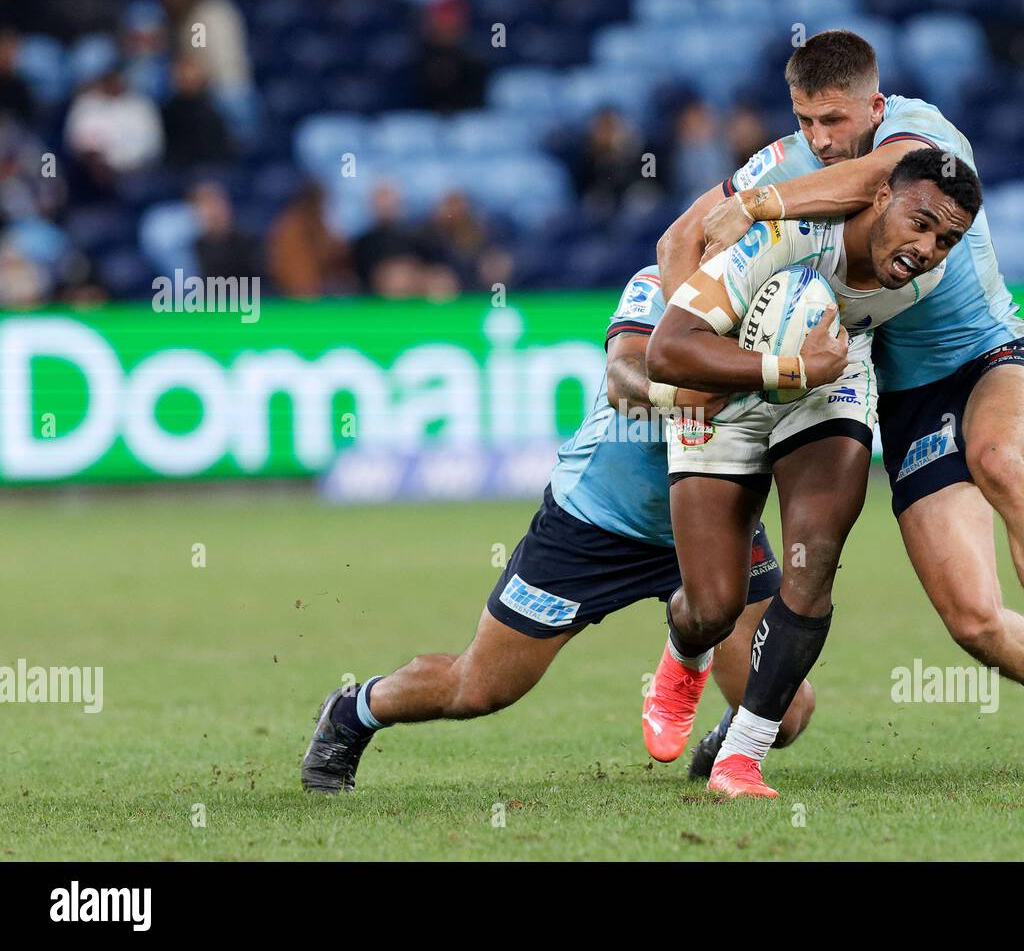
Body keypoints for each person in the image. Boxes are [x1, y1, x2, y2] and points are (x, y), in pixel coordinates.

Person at [661, 30, 1024, 791]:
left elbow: (884, 172)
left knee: (997, 457)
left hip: (992, 355)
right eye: (807, 121)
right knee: (974, 623)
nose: (822, 139)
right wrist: (692, 318)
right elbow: (680, 236)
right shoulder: (786, 161)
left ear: (874, 107)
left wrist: (756, 205)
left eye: (836, 121)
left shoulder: (922, 133)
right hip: (908, 398)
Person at [302, 267, 815, 794]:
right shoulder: (665, 283)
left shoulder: (803, 296)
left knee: (788, 712)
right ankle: (353, 711)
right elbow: (622, 381)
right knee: (480, 688)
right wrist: (684, 402)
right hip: (598, 522)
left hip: (718, 521)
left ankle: (726, 740)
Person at [643, 148, 977, 798]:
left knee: (815, 552)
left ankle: (741, 758)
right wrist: (786, 372)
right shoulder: (777, 237)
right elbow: (667, 350)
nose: (929, 247)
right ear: (879, 198)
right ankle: (686, 652)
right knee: (713, 608)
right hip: (730, 378)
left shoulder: (927, 280)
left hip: (832, 371)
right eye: (921, 222)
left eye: (947, 239)